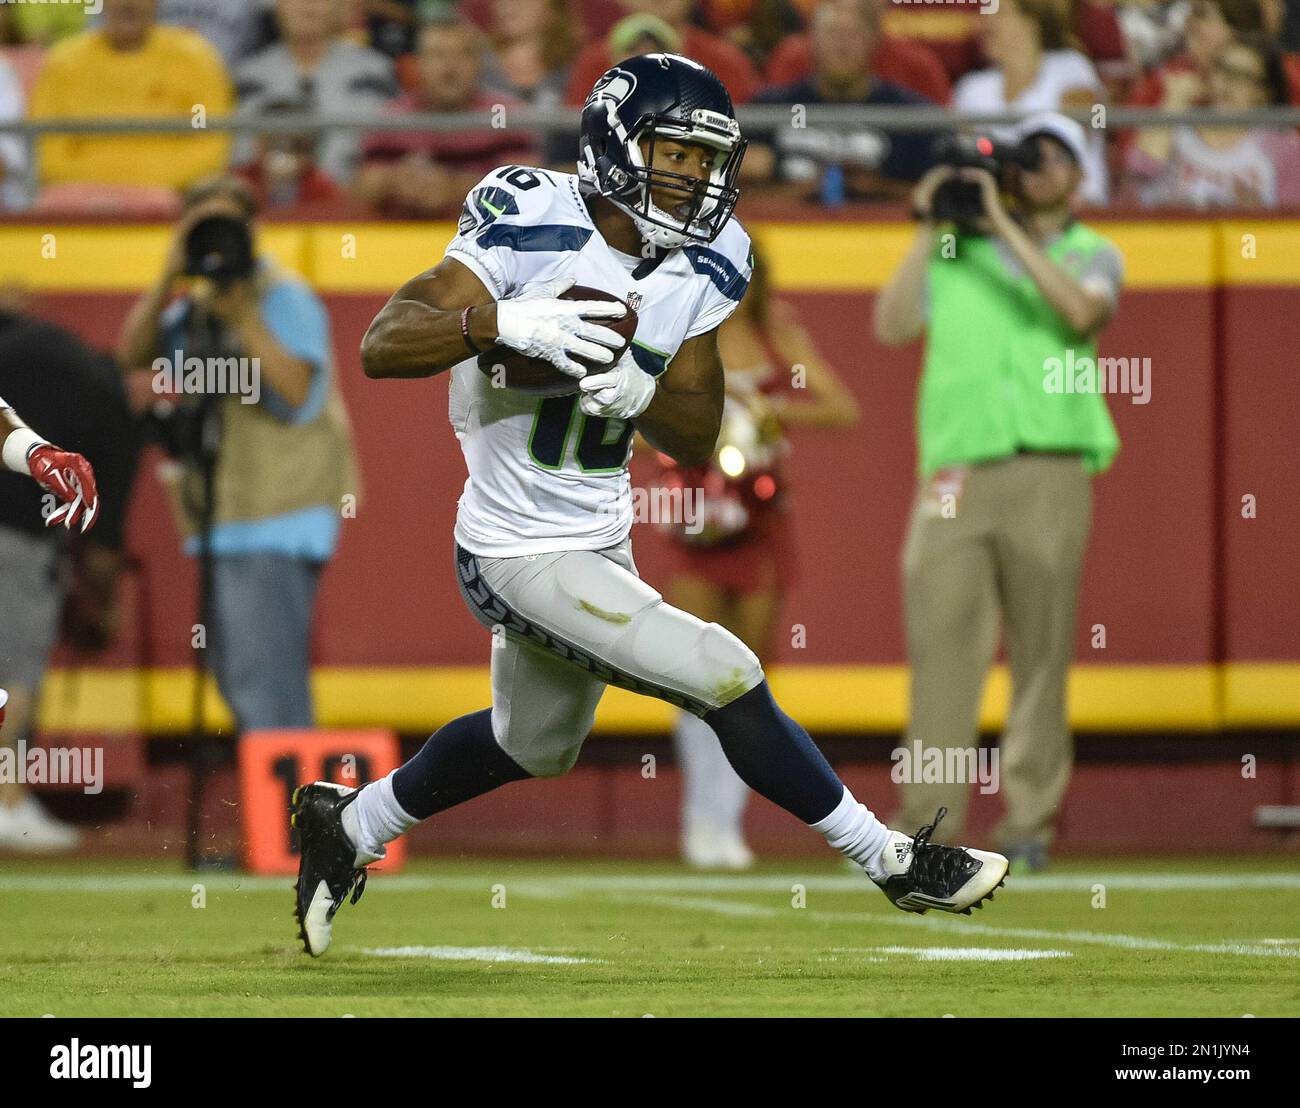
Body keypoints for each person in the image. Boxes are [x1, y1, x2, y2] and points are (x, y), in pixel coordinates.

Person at [290, 52, 1009, 957]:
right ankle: (894, 861)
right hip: (512, 546)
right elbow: (382, 345)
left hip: (600, 536)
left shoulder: (711, 255)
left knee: (534, 744)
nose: (697, 178)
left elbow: (697, 434)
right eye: (676, 154)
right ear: (616, 143)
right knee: (726, 672)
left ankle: (346, 826)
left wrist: (641, 385)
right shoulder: (529, 213)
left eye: (709, 160)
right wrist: (503, 323)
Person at [874, 111, 1124, 873]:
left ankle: (1030, 822)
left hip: (1049, 469)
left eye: (1052, 157)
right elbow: (890, 324)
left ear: (1080, 176)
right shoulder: (955, 249)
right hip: (955, 473)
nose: (1036, 168)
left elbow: (1080, 311)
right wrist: (931, 222)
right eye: (1026, 157)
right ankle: (929, 822)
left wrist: (1000, 227)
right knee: (940, 649)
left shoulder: (1095, 252)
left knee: (1042, 656)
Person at [116, 175, 358, 734]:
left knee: (263, 688)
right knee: (245, 680)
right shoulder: (193, 306)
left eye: (227, 225)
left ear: (253, 230)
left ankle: (296, 817)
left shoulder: (284, 296)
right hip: (225, 518)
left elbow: (296, 392)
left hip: (277, 515)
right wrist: (166, 278)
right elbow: (131, 357)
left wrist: (243, 317)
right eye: (202, 227)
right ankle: (296, 814)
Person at [654, 248, 860, 869]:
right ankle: (701, 821)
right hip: (698, 519)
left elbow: (841, 407)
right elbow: (638, 418)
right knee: (690, 670)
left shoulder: (777, 332)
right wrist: (693, 435)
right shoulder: (680, 331)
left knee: (749, 672)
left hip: (761, 517)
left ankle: (729, 824)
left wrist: (773, 414)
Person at [1, 319, 136, 850]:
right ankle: (7, 798)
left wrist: (34, 453)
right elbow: (103, 548)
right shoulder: (109, 403)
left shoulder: (27, 343)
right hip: (20, 541)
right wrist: (104, 606)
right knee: (15, 669)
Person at [28, 0, 233, 195]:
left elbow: (210, 149)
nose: (128, 4)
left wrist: (147, 191)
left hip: (178, 201)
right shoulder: (63, 63)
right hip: (80, 207)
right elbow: (49, 155)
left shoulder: (196, 59)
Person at [745, 0, 936, 202]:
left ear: (875, 42)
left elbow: (935, 197)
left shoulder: (912, 117)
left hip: (883, 231)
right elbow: (736, 199)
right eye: (832, 34)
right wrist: (804, 190)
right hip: (782, 230)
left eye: (853, 35)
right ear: (812, 40)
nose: (842, 46)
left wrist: (878, 188)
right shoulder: (765, 111)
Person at [355, 13, 538, 217]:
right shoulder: (393, 117)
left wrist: (453, 188)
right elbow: (362, 188)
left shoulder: (504, 115)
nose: (450, 66)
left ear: (479, 63)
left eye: (462, 55)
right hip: (403, 237)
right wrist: (396, 180)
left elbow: (526, 190)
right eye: (438, 54)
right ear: (418, 63)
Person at [951, 0, 1109, 205]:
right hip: (998, 213)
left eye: (999, 13)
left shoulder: (1071, 69)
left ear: (1031, 21)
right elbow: (965, 157)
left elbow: (1068, 147)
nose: (986, 22)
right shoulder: (971, 88)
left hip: (1074, 208)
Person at [235, 0, 398, 186]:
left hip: (351, 202)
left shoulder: (375, 73)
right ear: (277, 6)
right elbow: (239, 155)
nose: (307, 5)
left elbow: (388, 153)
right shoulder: (249, 76)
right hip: (265, 201)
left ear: (341, 7)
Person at [1123, 36, 1300, 207]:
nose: (1227, 82)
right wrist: (1174, 103)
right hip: (1165, 234)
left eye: (1242, 76)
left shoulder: (1283, 146)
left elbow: (1291, 221)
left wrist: (1257, 213)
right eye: (1223, 69)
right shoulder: (1176, 123)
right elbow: (1141, 169)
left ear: (1264, 93)